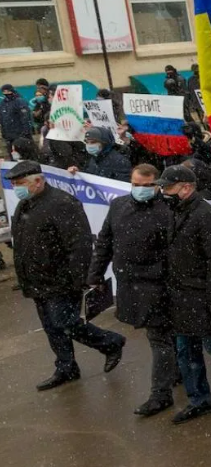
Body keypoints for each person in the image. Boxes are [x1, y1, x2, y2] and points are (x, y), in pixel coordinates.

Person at [8, 161, 126, 390]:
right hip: (36, 280)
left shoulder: (62, 203)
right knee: (52, 327)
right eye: (13, 184)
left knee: (65, 323)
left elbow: (79, 246)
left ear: (38, 181)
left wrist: (78, 279)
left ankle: (110, 342)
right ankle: (66, 366)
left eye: (20, 183)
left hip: (60, 280)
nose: (16, 188)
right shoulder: (25, 205)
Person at [88, 164, 177, 415]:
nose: (140, 190)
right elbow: (105, 242)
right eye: (136, 185)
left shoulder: (167, 210)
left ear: (156, 185)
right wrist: (95, 274)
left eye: (146, 186)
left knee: (159, 337)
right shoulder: (118, 206)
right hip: (129, 283)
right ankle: (174, 371)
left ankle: (161, 393)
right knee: (161, 337)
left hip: (158, 284)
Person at [158, 165, 211, 424]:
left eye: (168, 188)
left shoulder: (206, 216)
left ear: (186, 188)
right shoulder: (173, 212)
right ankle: (199, 399)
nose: (163, 192)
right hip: (179, 296)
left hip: (200, 297)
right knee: (186, 350)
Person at [1, 84, 33, 160]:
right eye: (4, 91)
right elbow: (2, 119)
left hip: (20, 135)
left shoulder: (19, 101)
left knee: (24, 156)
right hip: (9, 136)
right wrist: (4, 133)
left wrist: (25, 132)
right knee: (13, 157)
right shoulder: (3, 103)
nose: (6, 93)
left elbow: (25, 117)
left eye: (8, 91)